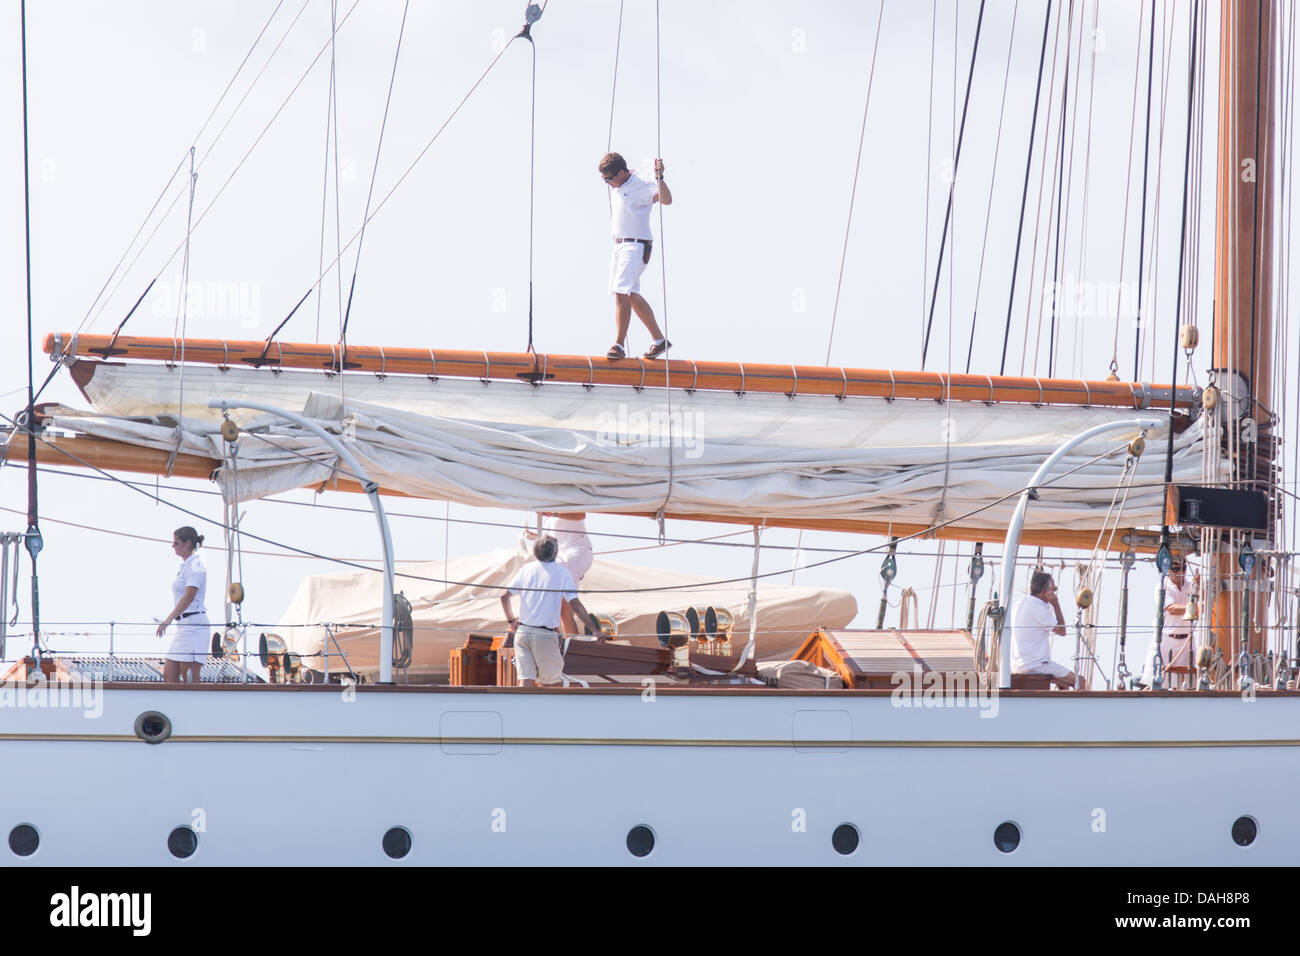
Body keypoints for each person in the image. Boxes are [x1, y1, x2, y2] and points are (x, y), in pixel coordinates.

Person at [500, 534, 602, 687]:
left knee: (526, 679)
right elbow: (575, 605)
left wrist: (511, 621)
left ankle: (521, 709)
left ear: (536, 552)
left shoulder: (526, 570)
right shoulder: (562, 573)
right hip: (544, 635)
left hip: (523, 633)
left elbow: (504, 597)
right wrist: (595, 630)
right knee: (550, 682)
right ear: (555, 553)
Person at [599, 152, 673, 360]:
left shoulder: (642, 184)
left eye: (609, 179)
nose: (607, 184)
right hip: (619, 247)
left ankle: (619, 345)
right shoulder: (618, 184)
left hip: (636, 246)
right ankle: (659, 340)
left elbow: (666, 200)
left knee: (621, 293)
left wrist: (659, 177)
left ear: (622, 173)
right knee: (629, 294)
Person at [155, 526, 209, 684]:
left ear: (188, 543)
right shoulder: (185, 566)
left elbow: (189, 596)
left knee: (190, 678)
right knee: (169, 676)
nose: (173, 546)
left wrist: (168, 619)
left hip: (195, 627)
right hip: (183, 627)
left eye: (176, 543)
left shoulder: (196, 566)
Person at [1009, 571, 1077, 689]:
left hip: (1017, 664)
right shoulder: (1038, 608)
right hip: (1035, 665)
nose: (1055, 593)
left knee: (1064, 685)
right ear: (1046, 592)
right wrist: (1056, 605)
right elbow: (1062, 631)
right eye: (1053, 589)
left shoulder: (1019, 604)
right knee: (1080, 681)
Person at [1140, 558, 1198, 688]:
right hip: (1166, 640)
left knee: (1188, 683)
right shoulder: (1162, 586)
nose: (1180, 572)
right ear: (1168, 570)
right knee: (1160, 681)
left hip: (1187, 640)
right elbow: (1171, 608)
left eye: (1183, 569)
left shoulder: (1192, 585)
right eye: (1176, 569)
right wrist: (1194, 609)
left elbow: (1206, 601)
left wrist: (1201, 588)